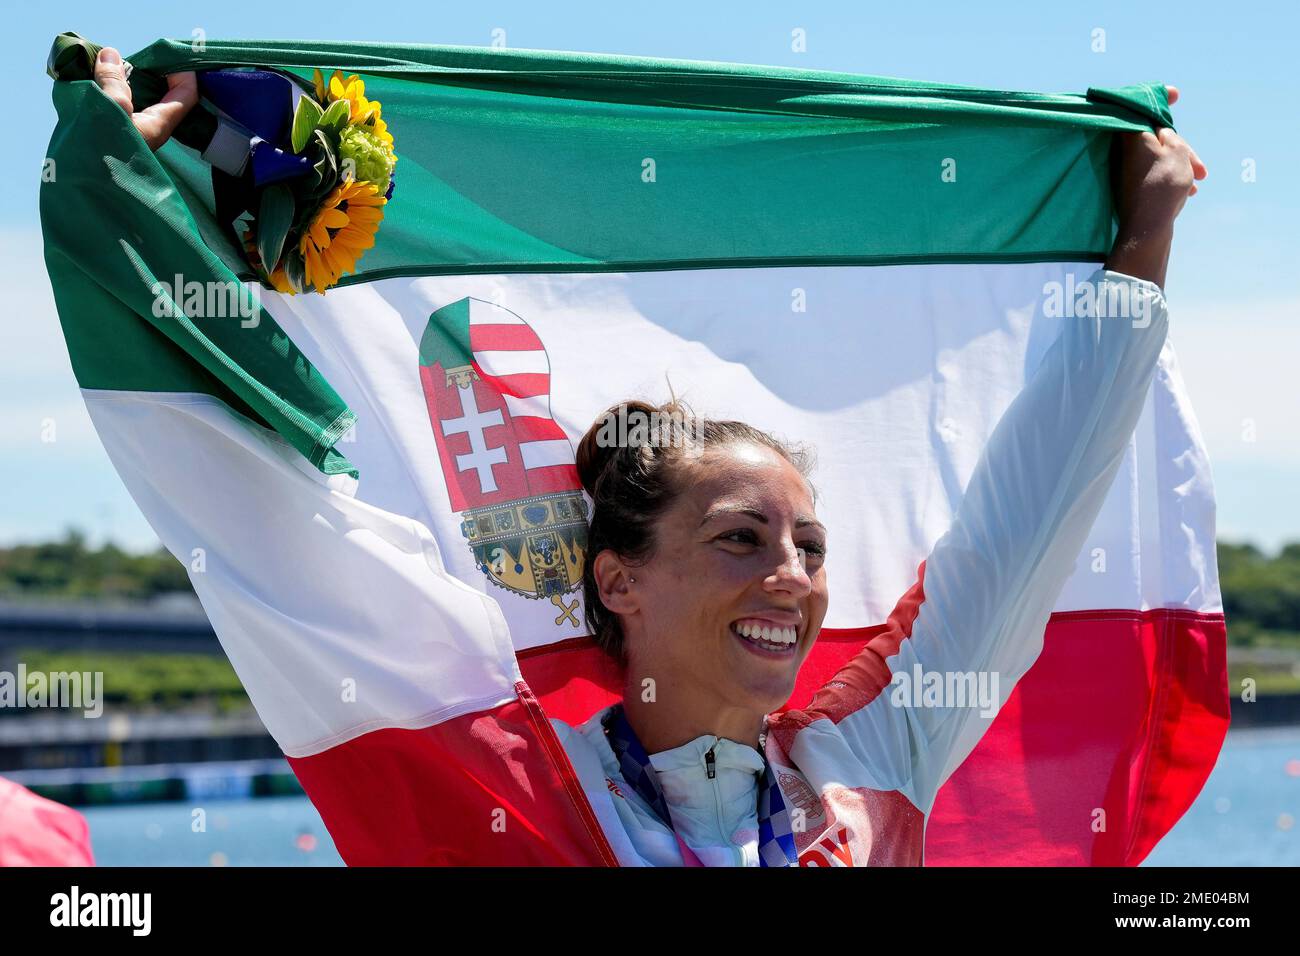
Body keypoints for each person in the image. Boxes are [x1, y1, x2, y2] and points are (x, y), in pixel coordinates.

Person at [93, 47, 1207, 866]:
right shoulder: (524, 787)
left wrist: (1141, 247)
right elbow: (288, 539)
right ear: (617, 578)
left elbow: (1030, 522)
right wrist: (121, 213)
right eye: (743, 537)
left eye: (810, 545)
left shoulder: (869, 764)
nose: (796, 576)